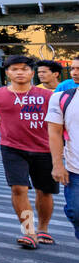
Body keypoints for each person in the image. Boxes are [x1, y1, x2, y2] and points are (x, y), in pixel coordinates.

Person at [0, 55, 56, 249]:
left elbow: (59, 124)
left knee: (45, 191)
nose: (20, 72)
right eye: (14, 69)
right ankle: (29, 231)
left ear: (32, 72)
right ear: (7, 73)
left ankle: (43, 229)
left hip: (45, 148)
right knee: (18, 188)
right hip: (12, 148)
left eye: (24, 68)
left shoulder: (48, 96)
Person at [45, 85, 79, 242]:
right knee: (76, 212)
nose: (75, 72)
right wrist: (57, 164)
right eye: (73, 68)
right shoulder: (61, 98)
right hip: (75, 168)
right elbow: (55, 132)